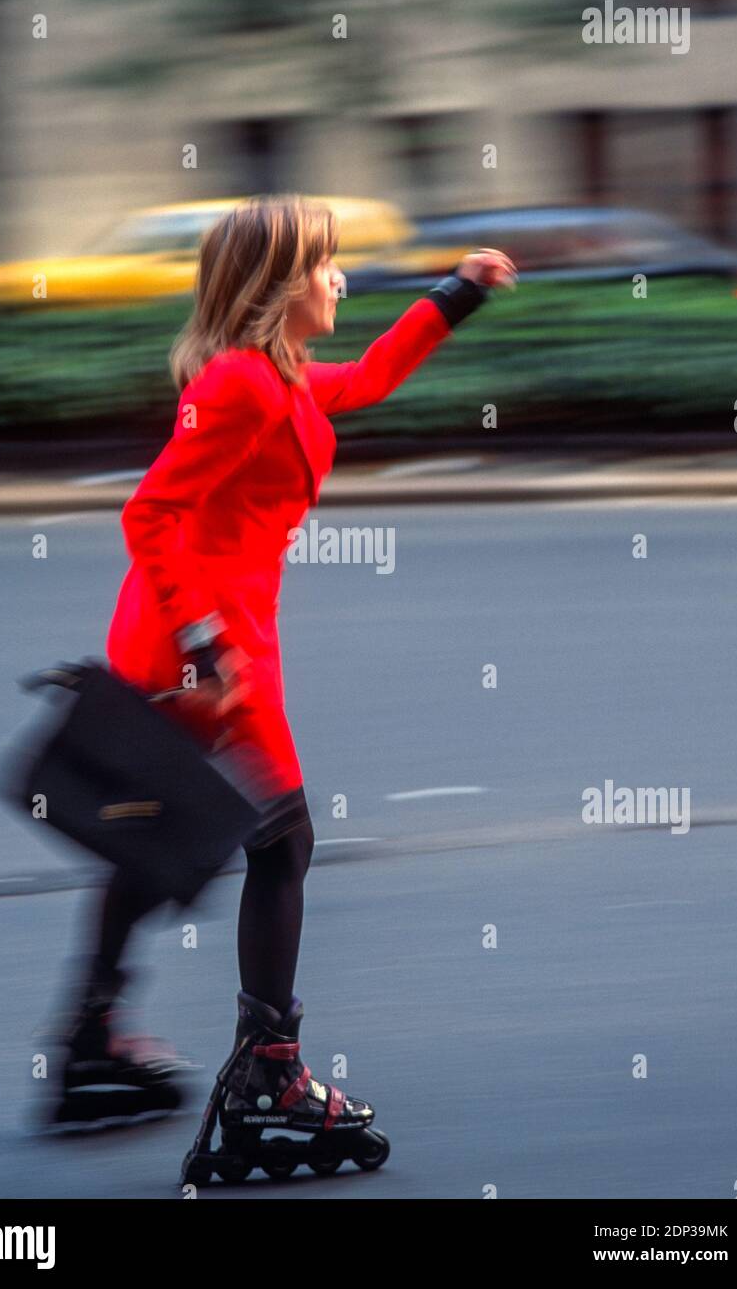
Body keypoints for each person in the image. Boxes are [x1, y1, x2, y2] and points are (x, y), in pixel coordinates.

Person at [57, 194, 516, 1169]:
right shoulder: (238, 385)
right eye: (326, 264)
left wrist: (456, 295)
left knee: (155, 834)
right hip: (204, 650)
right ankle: (269, 1070)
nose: (341, 277)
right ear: (275, 287)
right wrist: (204, 643)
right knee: (282, 840)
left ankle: (92, 1035)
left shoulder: (283, 376)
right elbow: (148, 514)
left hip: (208, 640)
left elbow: (373, 378)